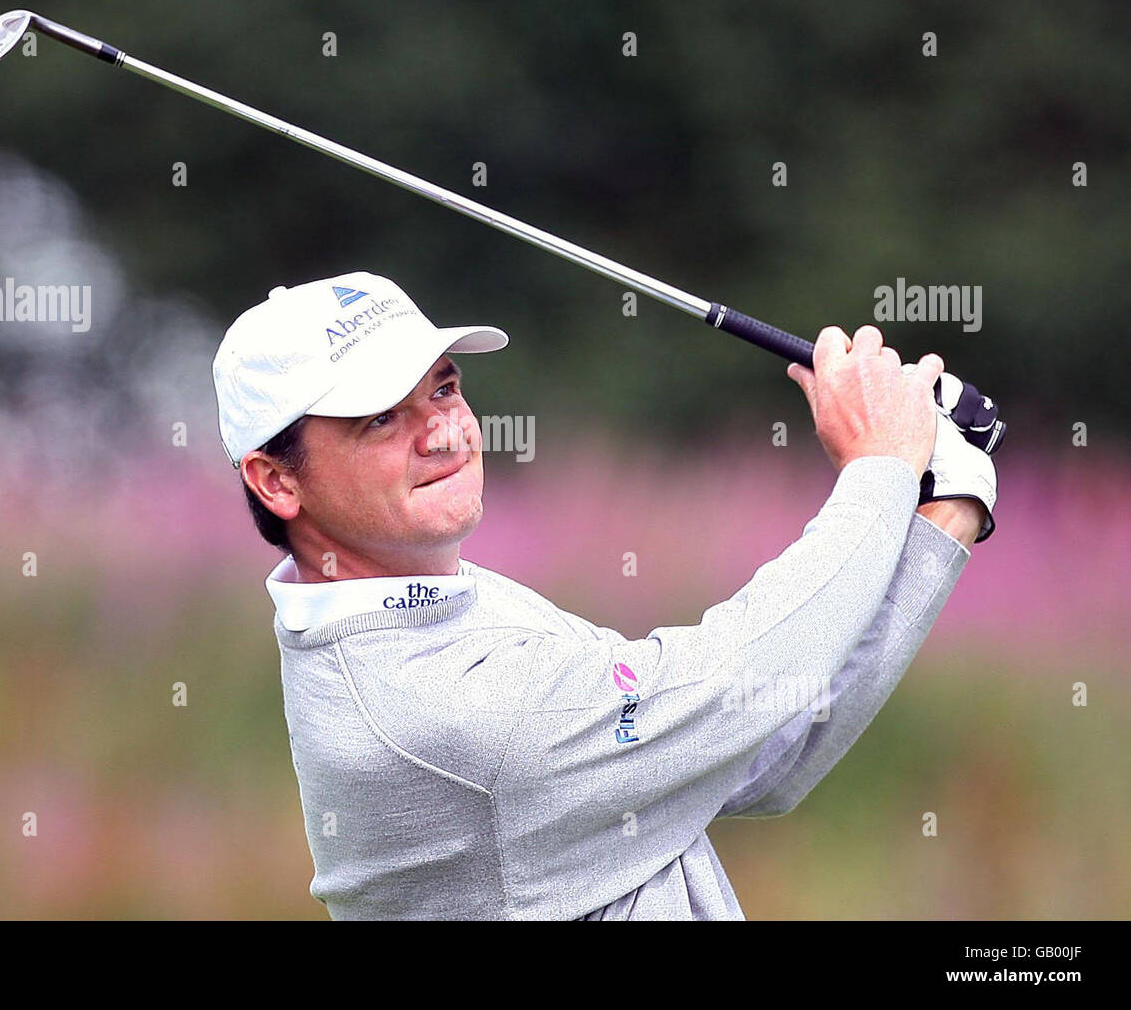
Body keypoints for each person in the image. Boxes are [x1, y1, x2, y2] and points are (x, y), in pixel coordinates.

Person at [211, 271, 1000, 920]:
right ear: (277, 480)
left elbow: (760, 751)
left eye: (444, 390)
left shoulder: (435, 605)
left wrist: (943, 513)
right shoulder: (437, 708)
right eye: (382, 418)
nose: (444, 432)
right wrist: (881, 468)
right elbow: (728, 687)